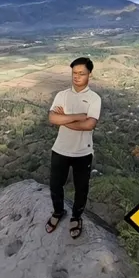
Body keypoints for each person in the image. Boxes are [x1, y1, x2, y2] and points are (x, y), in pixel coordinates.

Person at [45, 56, 101, 238]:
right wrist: (77, 115)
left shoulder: (94, 99)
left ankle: (76, 217)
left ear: (89, 75)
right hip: (60, 149)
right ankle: (58, 211)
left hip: (83, 152)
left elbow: (89, 125)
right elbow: (52, 119)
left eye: (81, 73)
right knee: (55, 185)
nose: (77, 77)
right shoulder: (62, 95)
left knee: (81, 188)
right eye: (74, 73)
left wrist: (65, 119)